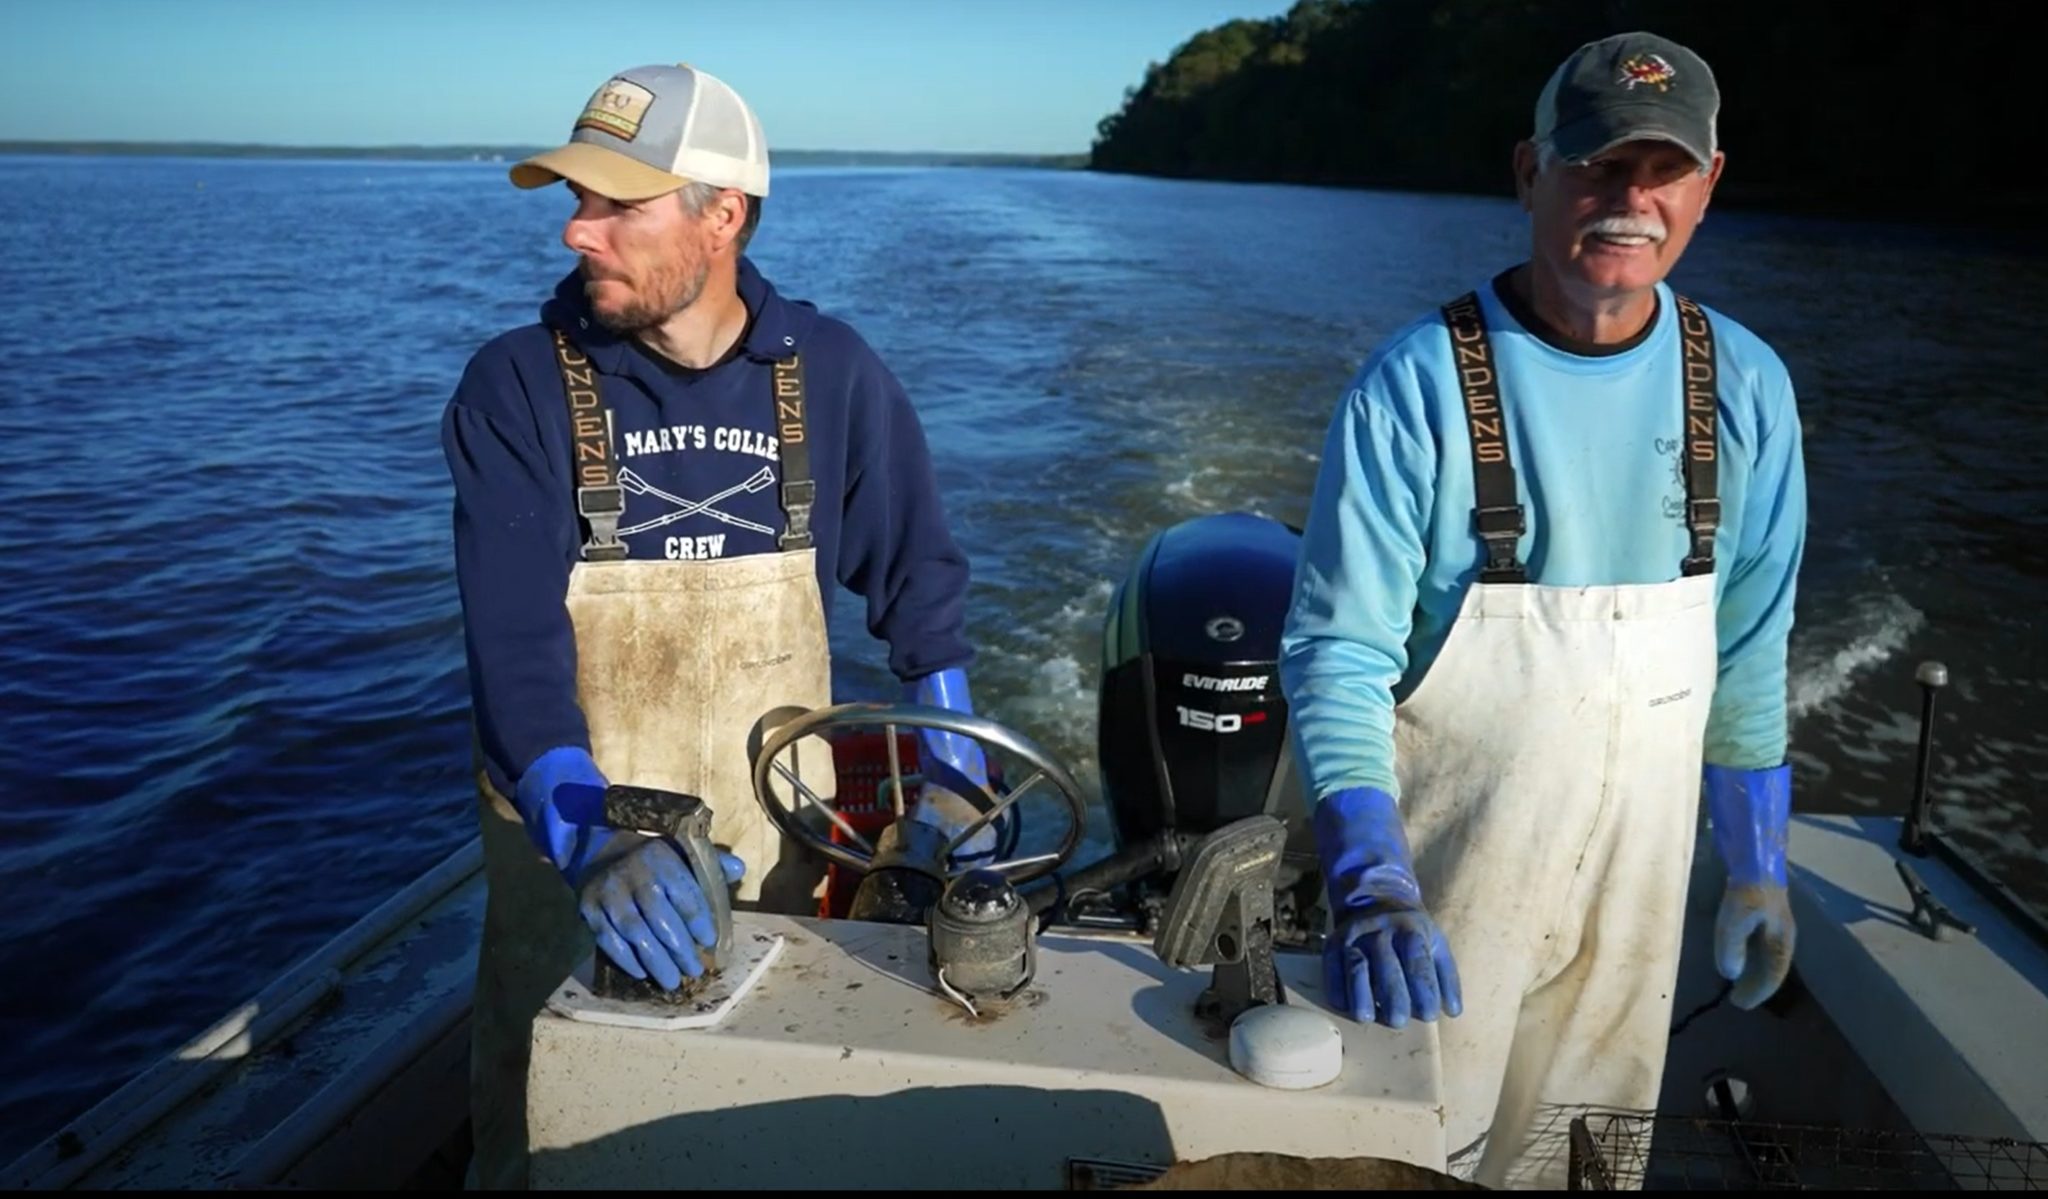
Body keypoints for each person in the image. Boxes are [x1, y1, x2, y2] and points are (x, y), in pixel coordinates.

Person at [440, 62, 994, 1189]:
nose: (577, 232)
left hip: (773, 839)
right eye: (576, 200)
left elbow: (919, 592)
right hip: (568, 848)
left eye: (617, 205)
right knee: (543, 1125)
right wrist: (588, 834)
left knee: (763, 1125)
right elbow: (512, 642)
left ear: (722, 214)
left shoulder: (832, 375)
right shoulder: (516, 387)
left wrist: (956, 764)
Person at [1279, 32, 1805, 1189]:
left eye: (1662, 170)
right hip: (1435, 889)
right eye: (1595, 164)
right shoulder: (1414, 383)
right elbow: (1335, 654)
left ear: (1707, 186)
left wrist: (1756, 863)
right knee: (1408, 1152)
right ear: (1528, 172)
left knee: (1584, 1157)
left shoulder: (1748, 388)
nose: (1628, 200)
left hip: (1636, 894)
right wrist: (1368, 879)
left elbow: (1748, 645)